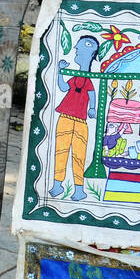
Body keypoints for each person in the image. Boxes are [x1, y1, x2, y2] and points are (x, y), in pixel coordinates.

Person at [49, 37, 99, 202]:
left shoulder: (87, 80)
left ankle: (79, 189)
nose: (75, 52)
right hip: (64, 118)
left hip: (80, 122)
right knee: (60, 151)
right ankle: (58, 184)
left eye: (78, 50)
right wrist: (60, 72)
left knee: (79, 155)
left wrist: (92, 108)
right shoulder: (74, 77)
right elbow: (63, 87)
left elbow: (92, 95)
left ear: (89, 54)